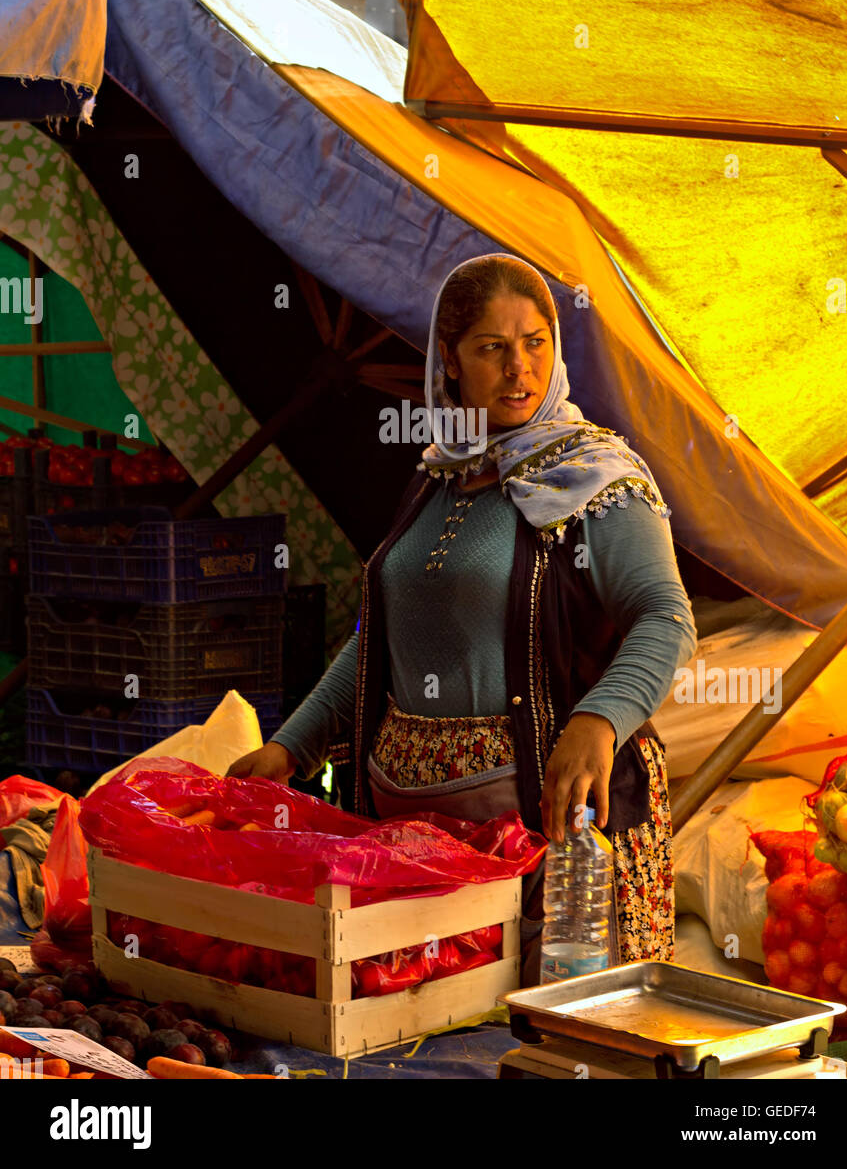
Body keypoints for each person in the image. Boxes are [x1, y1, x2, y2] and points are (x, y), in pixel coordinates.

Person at [228, 254, 697, 981]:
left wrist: (597, 721)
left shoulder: (597, 477)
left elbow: (666, 617)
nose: (520, 369)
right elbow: (377, 641)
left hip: (553, 847)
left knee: (546, 1047)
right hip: (419, 848)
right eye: (492, 348)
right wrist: (291, 747)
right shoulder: (438, 476)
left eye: (536, 341)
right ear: (450, 362)